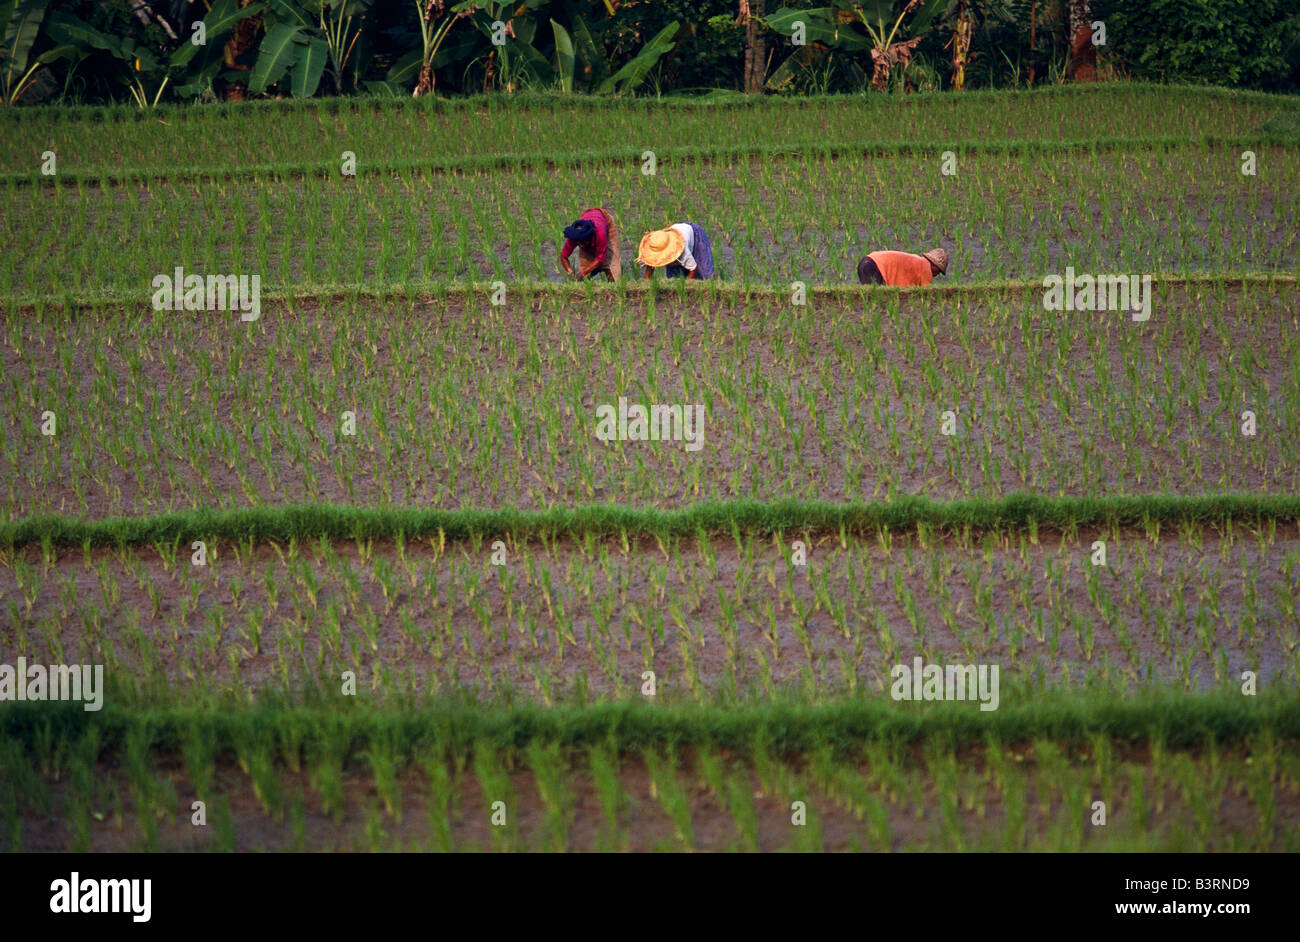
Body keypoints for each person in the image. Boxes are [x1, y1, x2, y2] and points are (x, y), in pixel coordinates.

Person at [637, 223, 715, 280]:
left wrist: (684, 286)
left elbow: (693, 269)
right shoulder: (656, 244)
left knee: (706, 274)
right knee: (674, 279)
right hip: (677, 231)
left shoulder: (682, 250)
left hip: (694, 234)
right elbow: (648, 272)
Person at [561, 208, 621, 280]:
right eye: (578, 244)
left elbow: (600, 258)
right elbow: (564, 256)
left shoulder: (599, 234)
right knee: (584, 273)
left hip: (605, 221)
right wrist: (570, 271)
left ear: (589, 237)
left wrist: (584, 272)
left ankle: (613, 286)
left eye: (583, 243)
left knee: (611, 265)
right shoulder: (574, 236)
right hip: (588, 218)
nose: (581, 245)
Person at [857, 248, 949, 286]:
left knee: (871, 301)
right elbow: (928, 293)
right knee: (876, 300)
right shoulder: (926, 266)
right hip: (874, 266)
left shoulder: (918, 263)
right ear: (933, 264)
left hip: (866, 262)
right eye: (938, 270)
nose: (937, 274)